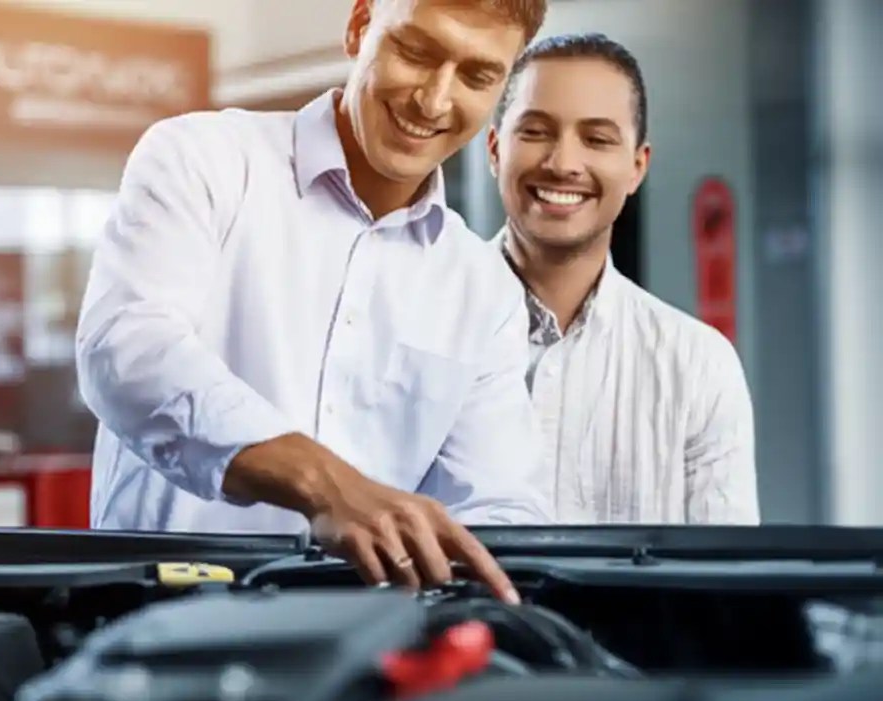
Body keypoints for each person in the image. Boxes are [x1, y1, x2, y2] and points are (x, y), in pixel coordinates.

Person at [75, 0, 554, 600]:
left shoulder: (483, 289)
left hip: (363, 661)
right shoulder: (202, 159)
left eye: (477, 76)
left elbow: (498, 504)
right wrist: (328, 485)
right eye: (416, 52)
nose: (434, 101)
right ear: (359, 27)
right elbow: (128, 351)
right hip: (154, 634)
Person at [486, 33, 760, 524]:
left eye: (597, 139)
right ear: (493, 150)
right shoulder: (417, 328)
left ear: (637, 167)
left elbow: (720, 588)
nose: (563, 163)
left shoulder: (698, 365)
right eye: (535, 131)